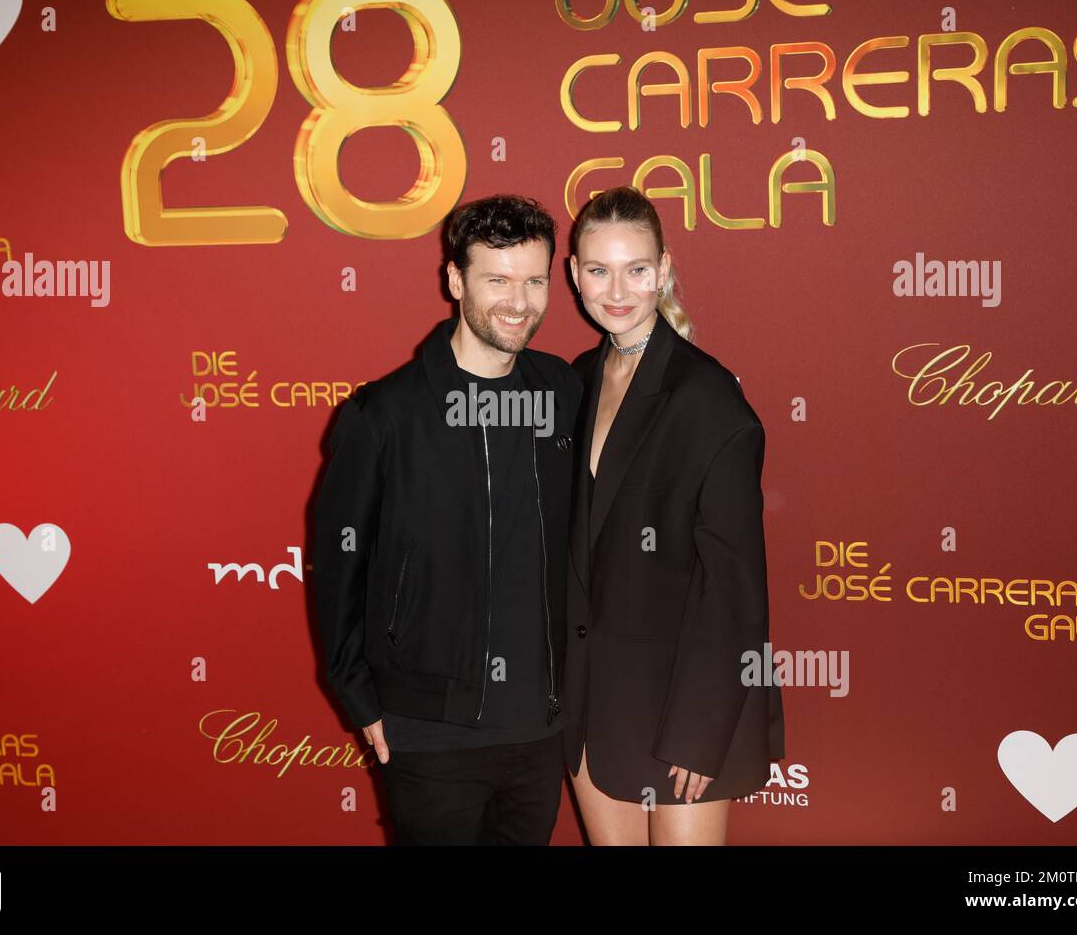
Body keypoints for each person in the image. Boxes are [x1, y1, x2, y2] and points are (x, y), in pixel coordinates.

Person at [312, 194, 583, 845]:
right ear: (455, 279)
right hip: (429, 731)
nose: (518, 302)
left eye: (534, 281)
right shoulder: (386, 415)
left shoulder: (563, 393)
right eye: (496, 280)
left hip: (539, 733)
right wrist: (360, 698)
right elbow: (337, 565)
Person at [562, 185, 785, 845]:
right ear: (573, 275)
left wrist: (701, 730)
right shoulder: (571, 382)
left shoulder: (709, 400)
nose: (617, 290)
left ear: (663, 269)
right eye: (598, 270)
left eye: (636, 269)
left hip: (686, 703)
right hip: (593, 700)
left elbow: (735, 586)